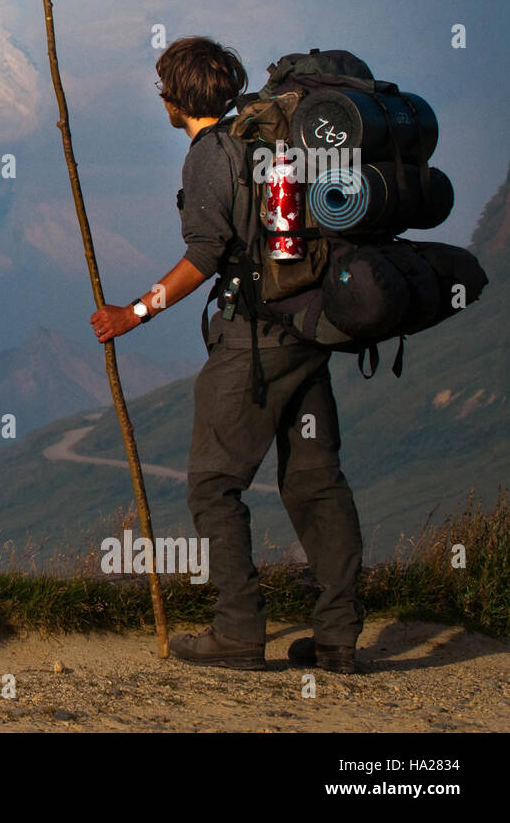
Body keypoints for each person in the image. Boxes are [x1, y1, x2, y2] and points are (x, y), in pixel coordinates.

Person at [89, 36, 363, 673]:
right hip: (310, 327)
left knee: (214, 484)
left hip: (254, 338)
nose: (160, 98)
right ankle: (338, 638)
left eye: (163, 88)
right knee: (315, 483)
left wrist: (134, 312)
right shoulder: (269, 135)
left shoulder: (210, 155)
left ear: (175, 98)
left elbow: (204, 256)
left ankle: (238, 631)